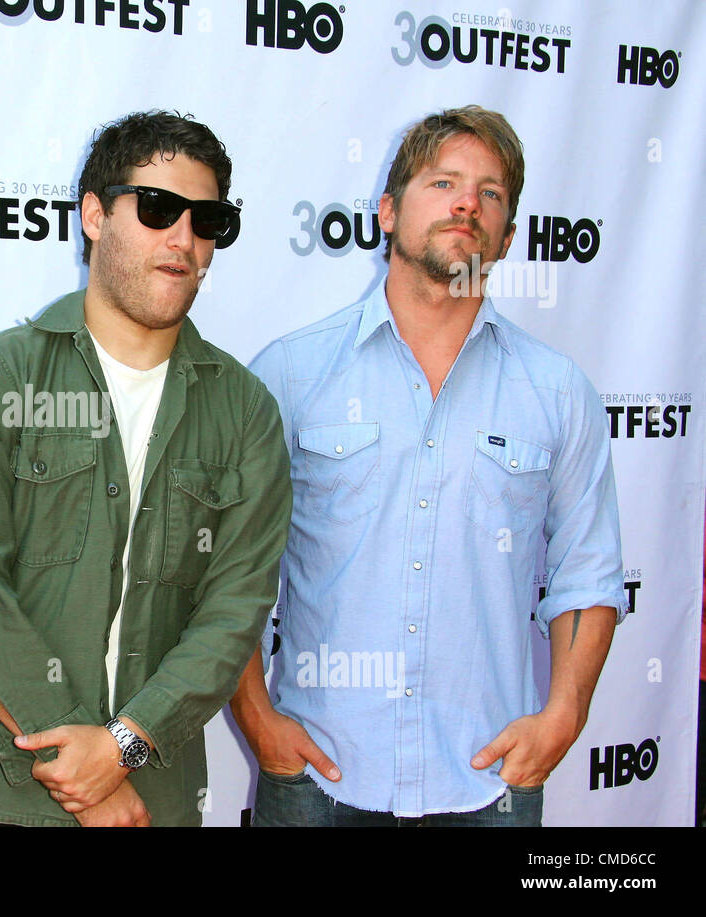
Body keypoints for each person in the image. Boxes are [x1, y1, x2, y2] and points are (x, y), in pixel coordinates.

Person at [232, 105, 625, 826]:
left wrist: (564, 717)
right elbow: (232, 575)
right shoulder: (290, 375)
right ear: (387, 211)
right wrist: (259, 722)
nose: (468, 202)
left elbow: (588, 574)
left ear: (506, 236)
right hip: (316, 778)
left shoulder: (559, 392)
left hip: (491, 786)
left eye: (492, 193)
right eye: (443, 182)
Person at [0, 111, 291, 827]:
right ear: (92, 215)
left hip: (152, 801)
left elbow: (233, 613)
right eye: (156, 208)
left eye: (206, 221)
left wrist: (123, 749)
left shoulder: (246, 413)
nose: (183, 238)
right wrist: (87, 771)